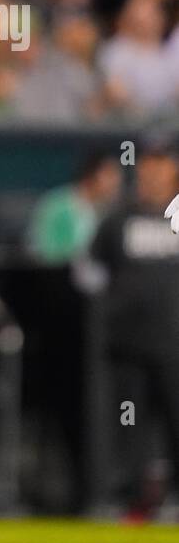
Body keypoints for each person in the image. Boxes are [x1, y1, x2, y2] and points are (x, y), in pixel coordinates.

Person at [90, 135, 179, 519]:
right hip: (128, 344)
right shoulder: (119, 217)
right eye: (147, 161)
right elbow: (90, 271)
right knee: (130, 426)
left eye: (162, 161)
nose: (154, 170)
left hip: (175, 342)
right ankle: (134, 502)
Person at [26, 149, 121, 264]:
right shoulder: (56, 207)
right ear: (91, 175)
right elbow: (43, 252)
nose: (116, 182)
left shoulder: (111, 212)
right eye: (110, 175)